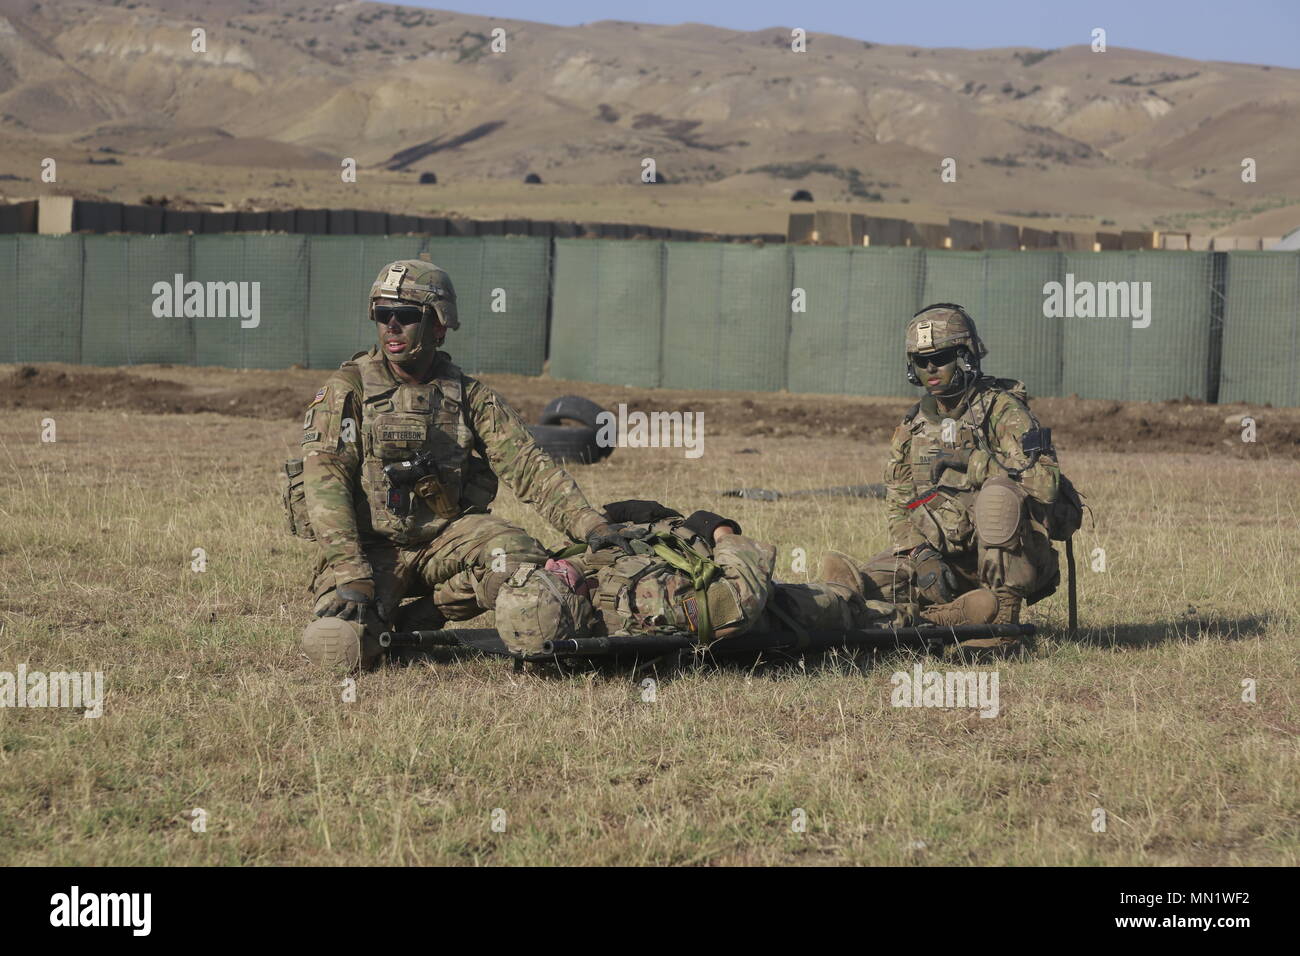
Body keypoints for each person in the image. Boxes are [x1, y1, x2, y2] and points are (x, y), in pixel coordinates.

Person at [286, 257, 629, 669]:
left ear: (439, 323)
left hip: (445, 540)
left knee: (520, 559)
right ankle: (380, 621)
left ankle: (417, 621)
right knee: (338, 645)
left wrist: (592, 525)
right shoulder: (349, 389)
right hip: (369, 545)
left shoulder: (469, 396)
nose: (391, 326)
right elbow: (327, 485)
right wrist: (351, 575)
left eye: (406, 316)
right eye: (383, 314)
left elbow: (529, 467)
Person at [489, 499, 998, 655]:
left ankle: (869, 591)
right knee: (844, 611)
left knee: (838, 593)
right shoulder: (646, 604)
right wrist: (722, 532)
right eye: (557, 580)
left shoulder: (568, 601)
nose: (558, 568)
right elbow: (742, 596)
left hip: (707, 585)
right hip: (772, 620)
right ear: (574, 608)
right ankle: (940, 626)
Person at [846, 303, 1062, 651]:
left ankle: (1002, 629)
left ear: (966, 357)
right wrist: (920, 555)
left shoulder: (1003, 410)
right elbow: (899, 506)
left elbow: (1045, 484)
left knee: (998, 495)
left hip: (1010, 558)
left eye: (942, 357)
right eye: (921, 361)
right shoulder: (911, 427)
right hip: (941, 562)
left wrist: (974, 462)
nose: (931, 368)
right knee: (864, 587)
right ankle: (940, 620)